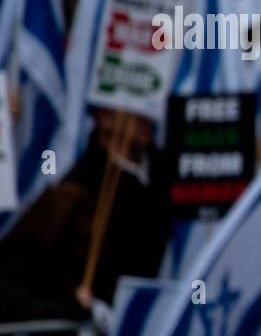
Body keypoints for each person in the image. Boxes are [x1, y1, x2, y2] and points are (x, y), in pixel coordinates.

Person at [0, 107, 171, 323]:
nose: (149, 115)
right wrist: (70, 307)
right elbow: (17, 284)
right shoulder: (72, 192)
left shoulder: (170, 176)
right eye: (135, 110)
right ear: (103, 116)